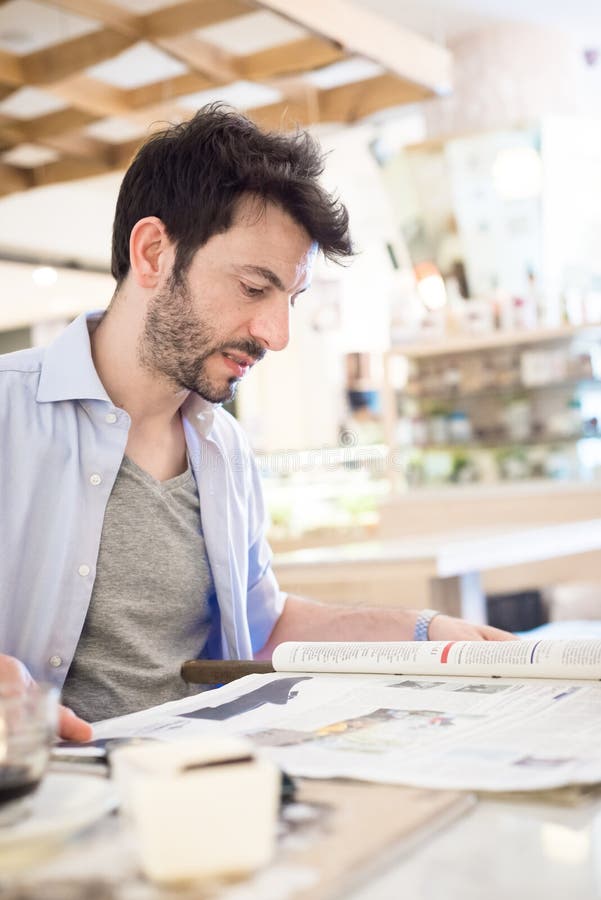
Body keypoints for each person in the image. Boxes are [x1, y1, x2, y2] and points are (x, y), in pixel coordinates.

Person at [0, 105, 514, 741]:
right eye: (253, 288)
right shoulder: (8, 413)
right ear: (153, 252)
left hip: (208, 786)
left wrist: (425, 631)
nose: (277, 334)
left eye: (289, 299)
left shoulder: (225, 450)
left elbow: (263, 625)